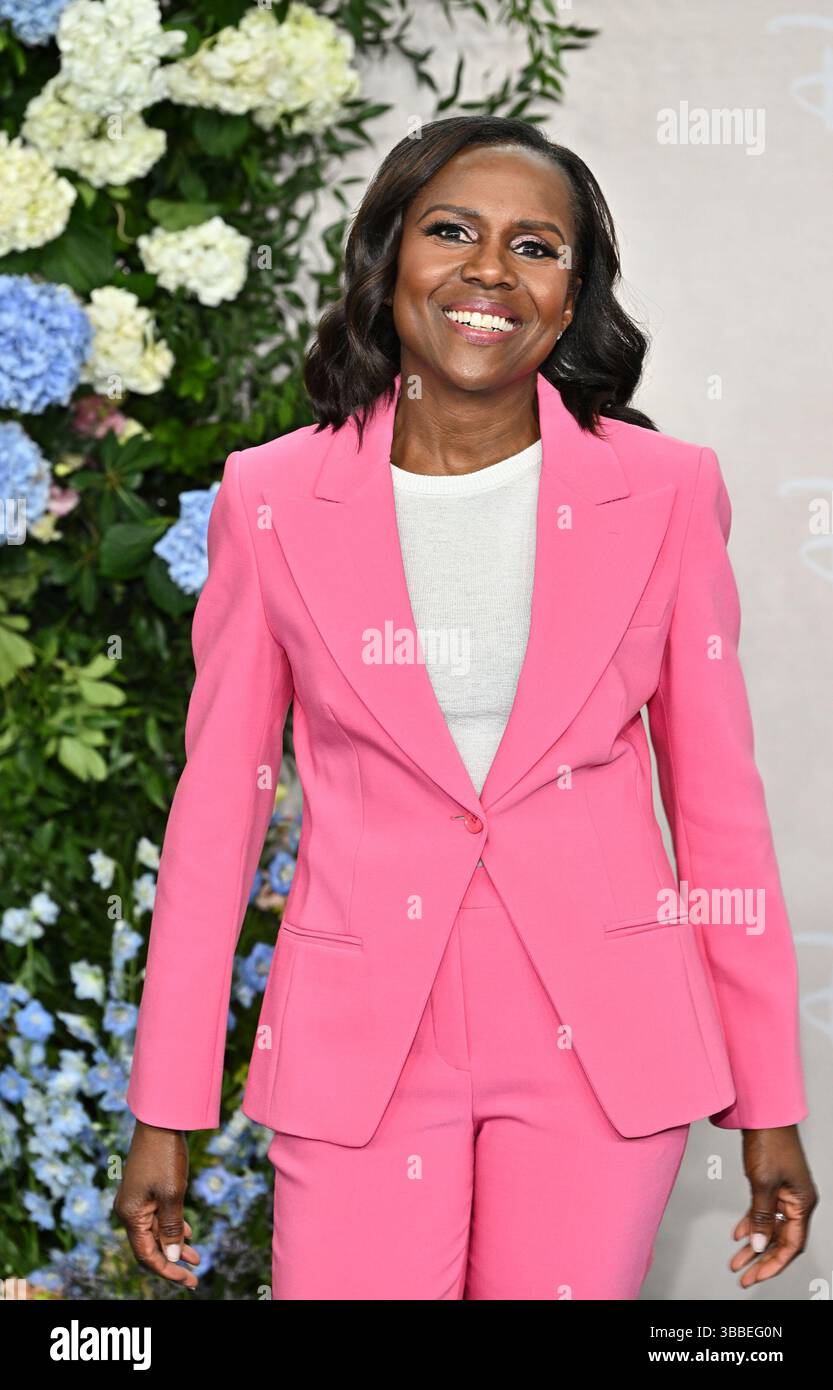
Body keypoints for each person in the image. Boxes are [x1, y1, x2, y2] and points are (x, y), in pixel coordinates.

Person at [117, 115, 816, 1300]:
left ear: (572, 295)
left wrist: (768, 1102)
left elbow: (717, 814)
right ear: (389, 258)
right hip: (358, 1046)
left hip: (603, 1050)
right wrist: (165, 1104)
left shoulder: (662, 493)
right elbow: (215, 819)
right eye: (450, 231)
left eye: (534, 246)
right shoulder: (271, 496)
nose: (488, 270)